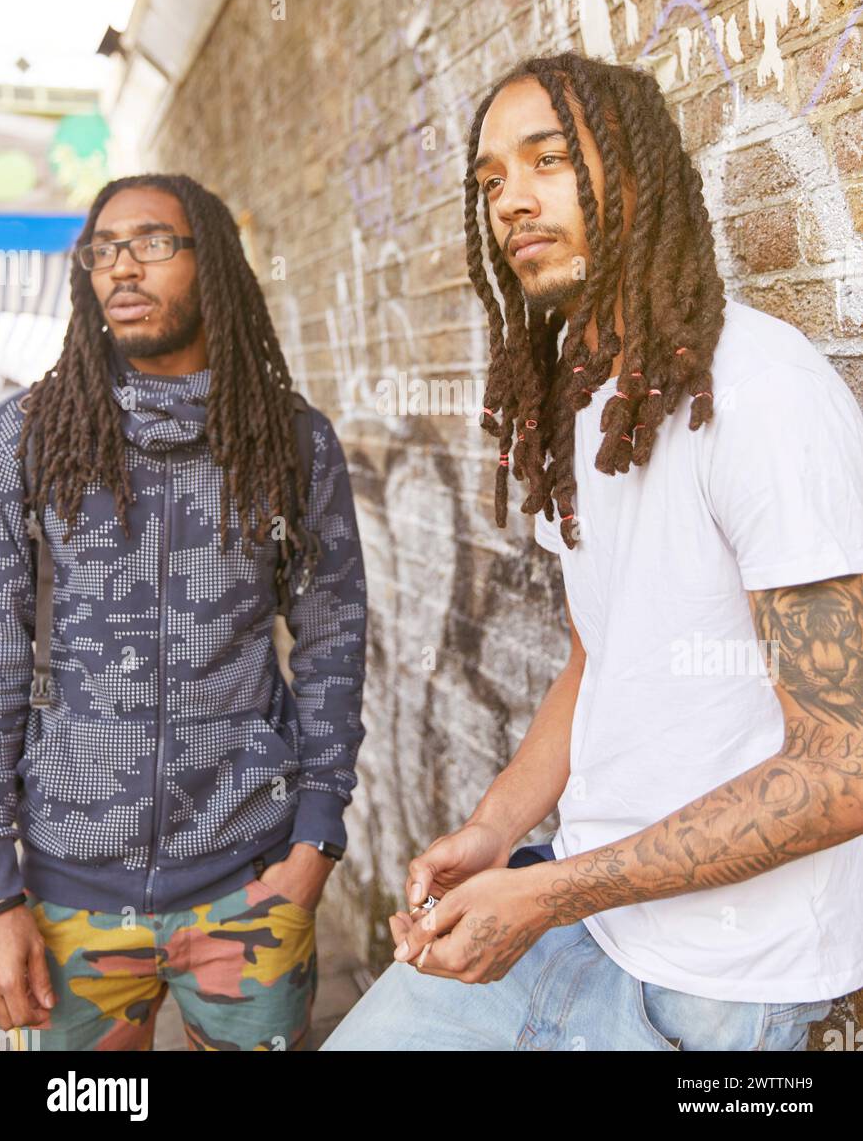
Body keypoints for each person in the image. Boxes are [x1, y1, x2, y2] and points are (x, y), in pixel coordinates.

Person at [321, 51, 863, 1052]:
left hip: (718, 984)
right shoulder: (582, 403)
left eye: (548, 162)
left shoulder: (762, 396)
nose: (511, 202)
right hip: (578, 910)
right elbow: (594, 653)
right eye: (490, 181)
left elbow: (844, 767)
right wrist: (493, 831)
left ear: (637, 172)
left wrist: (549, 891)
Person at [0, 173, 367, 1051]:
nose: (123, 266)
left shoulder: (290, 442)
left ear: (215, 262)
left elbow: (332, 645)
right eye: (104, 249)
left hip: (250, 885)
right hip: (65, 898)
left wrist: (314, 842)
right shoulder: (29, 439)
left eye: (154, 242)